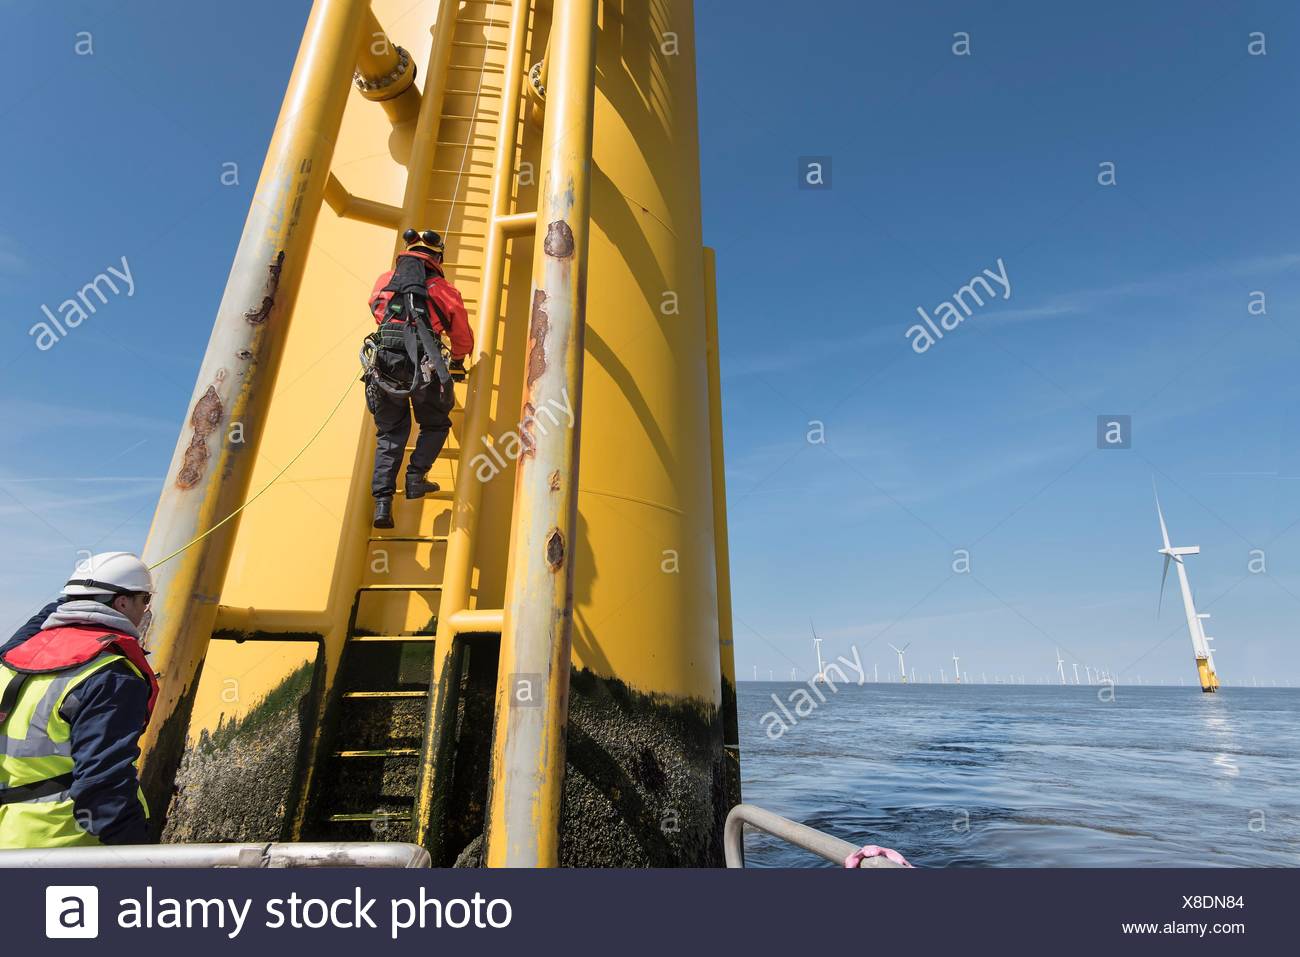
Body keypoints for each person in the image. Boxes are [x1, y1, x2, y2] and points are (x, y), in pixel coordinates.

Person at [0, 552, 158, 848]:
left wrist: (79, 594)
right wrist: (137, 854)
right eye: (145, 600)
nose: (146, 610)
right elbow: (102, 786)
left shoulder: (11, 662)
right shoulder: (110, 676)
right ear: (122, 603)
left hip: (9, 840)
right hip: (64, 845)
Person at [364, 227, 474, 528]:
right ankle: (415, 478)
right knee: (435, 423)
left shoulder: (384, 281)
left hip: (384, 366)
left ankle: (383, 504)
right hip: (424, 367)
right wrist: (458, 361)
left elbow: (376, 308)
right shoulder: (444, 289)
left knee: (389, 435)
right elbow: (462, 336)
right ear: (438, 257)